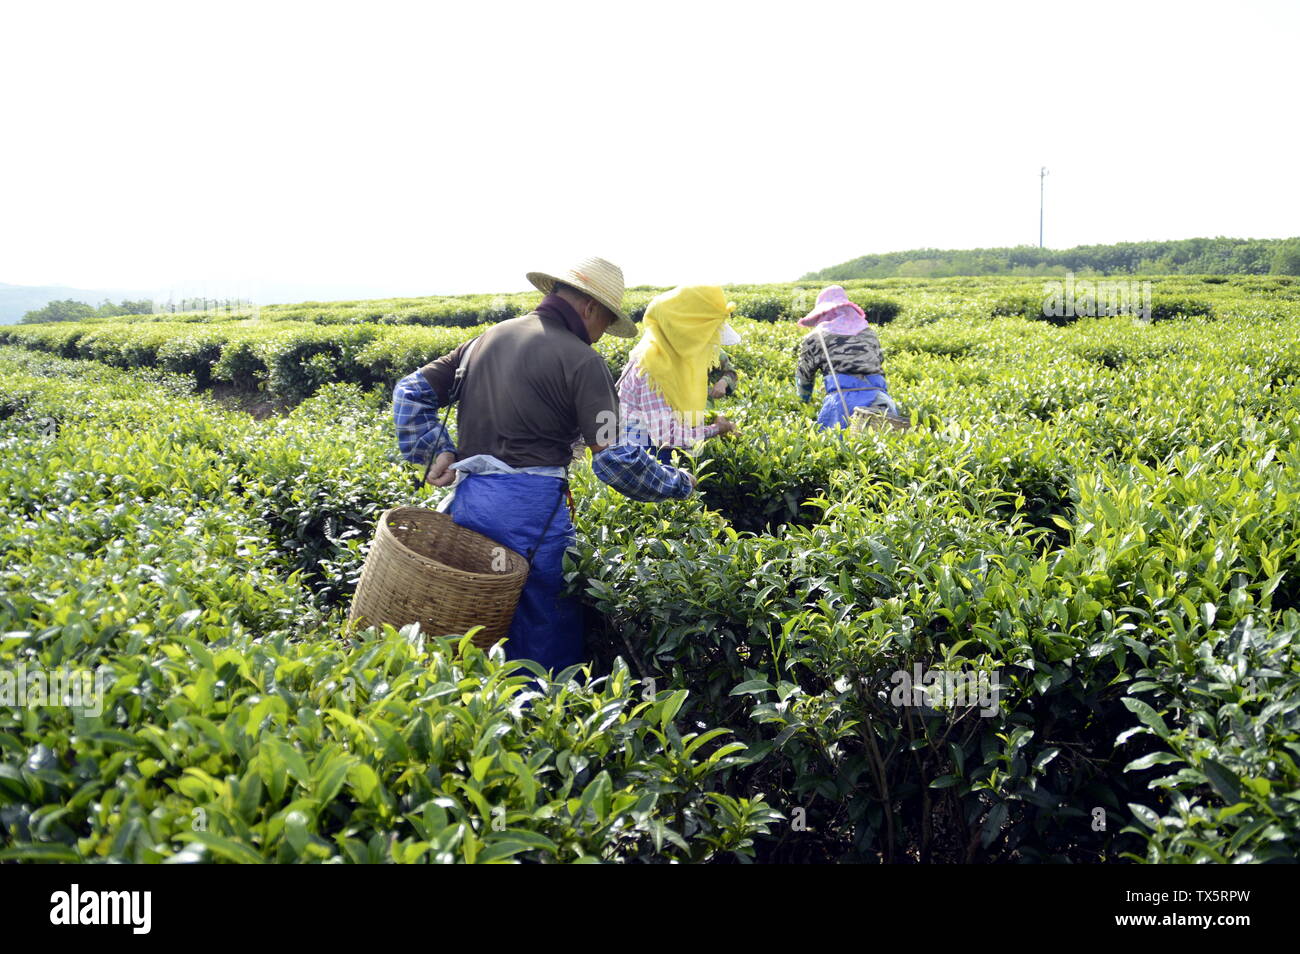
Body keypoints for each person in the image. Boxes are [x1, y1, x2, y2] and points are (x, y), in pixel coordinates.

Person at [392, 256, 697, 674]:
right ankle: (541, 706)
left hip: (470, 504)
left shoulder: (485, 339)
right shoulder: (584, 362)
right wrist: (679, 483)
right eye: (606, 322)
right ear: (590, 307)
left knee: (478, 611)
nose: (601, 334)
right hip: (530, 512)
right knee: (545, 617)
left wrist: (433, 451)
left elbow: (409, 392)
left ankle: (480, 700)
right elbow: (615, 460)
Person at [615, 285, 740, 466]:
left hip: (659, 456)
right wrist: (716, 429)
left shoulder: (677, 362)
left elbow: (677, 415)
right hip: (641, 460)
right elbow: (667, 436)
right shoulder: (654, 368)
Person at [794, 285, 899, 429]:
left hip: (842, 404)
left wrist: (804, 402)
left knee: (838, 441)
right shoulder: (869, 333)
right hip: (880, 399)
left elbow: (804, 376)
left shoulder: (816, 337)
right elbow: (878, 361)